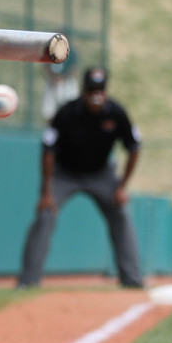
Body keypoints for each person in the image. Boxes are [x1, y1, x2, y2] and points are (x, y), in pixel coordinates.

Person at [17, 67, 144, 290]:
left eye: (101, 90)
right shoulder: (67, 112)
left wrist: (122, 187)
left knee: (121, 213)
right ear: (83, 91)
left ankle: (132, 279)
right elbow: (48, 150)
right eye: (92, 90)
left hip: (101, 174)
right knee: (46, 214)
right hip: (64, 174)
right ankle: (28, 281)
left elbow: (134, 147)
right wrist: (47, 193)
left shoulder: (116, 113)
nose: (97, 95)